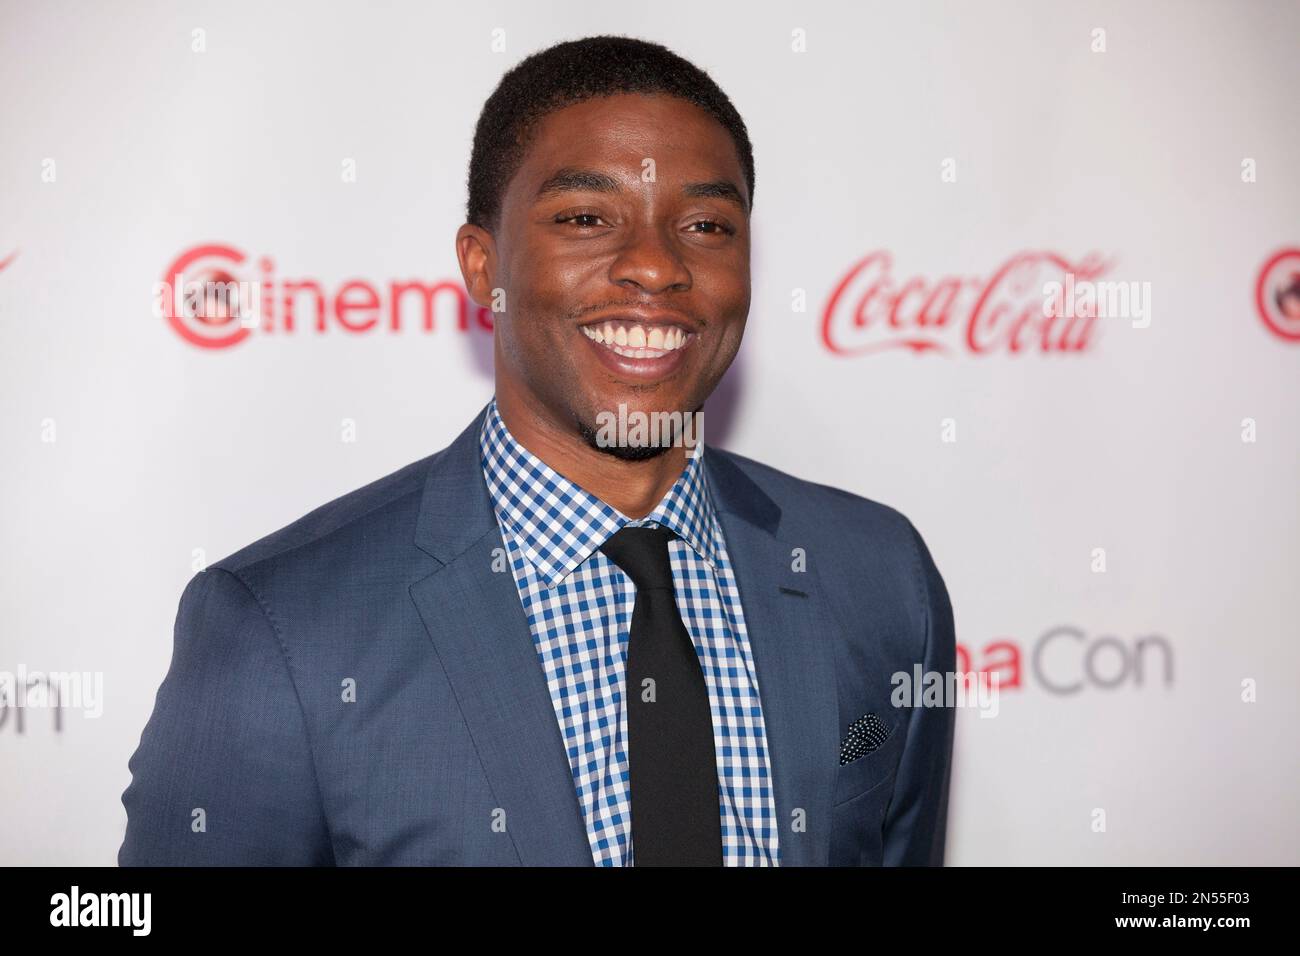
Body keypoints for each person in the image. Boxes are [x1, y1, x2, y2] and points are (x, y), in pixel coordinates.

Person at [119, 34, 955, 867]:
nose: (657, 267)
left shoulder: (879, 578)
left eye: (706, 224)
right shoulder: (278, 630)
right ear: (484, 269)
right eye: (586, 219)